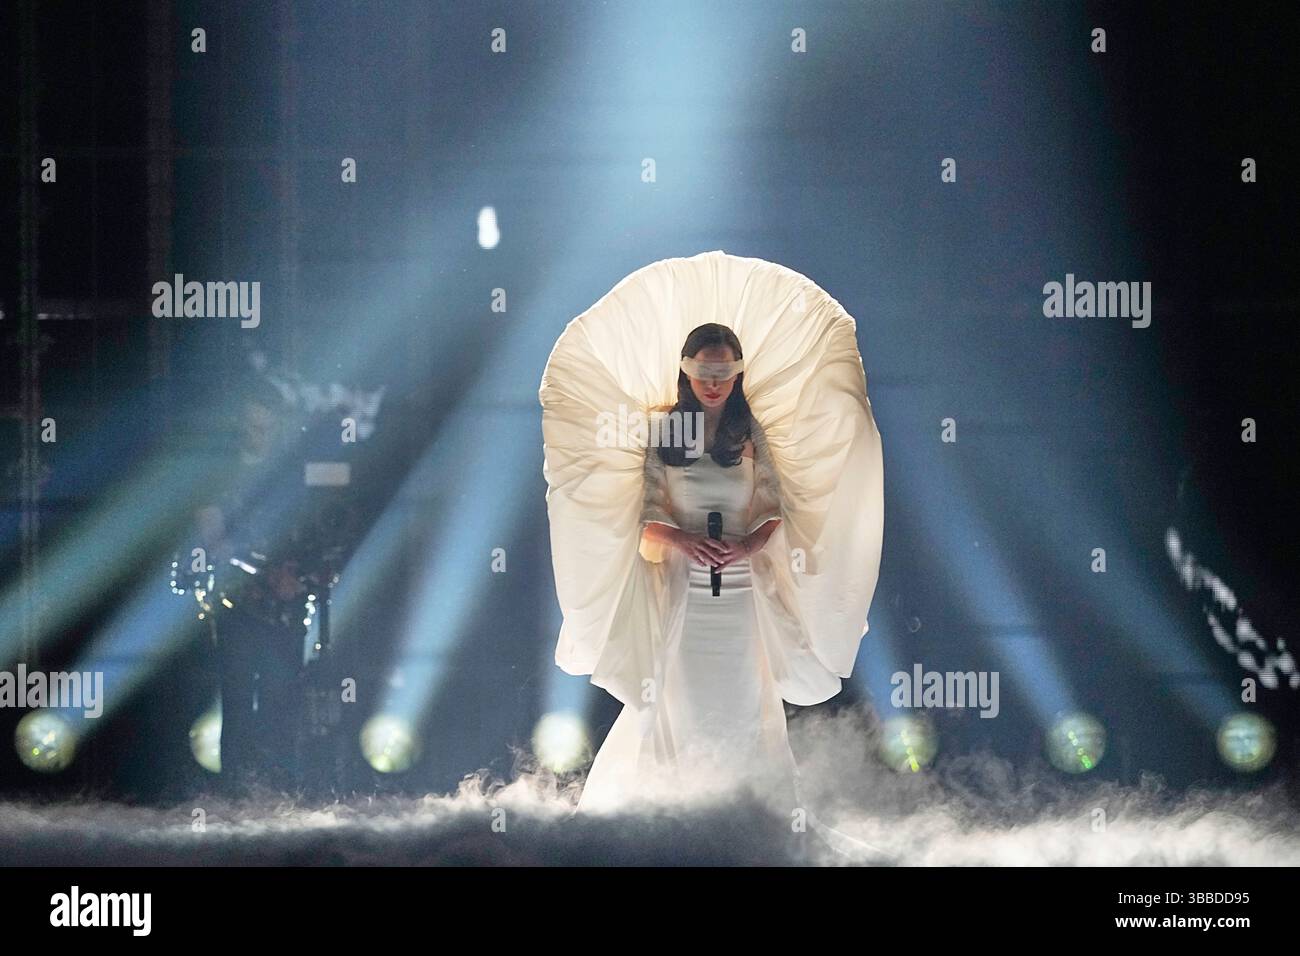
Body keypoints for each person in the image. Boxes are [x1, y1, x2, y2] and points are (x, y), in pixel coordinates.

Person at [541, 250, 885, 826]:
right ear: (685, 371)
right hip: (682, 592)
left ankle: (752, 824)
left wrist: (750, 547)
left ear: (739, 374)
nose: (714, 385)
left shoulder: (752, 435)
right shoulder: (660, 433)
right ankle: (665, 822)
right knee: (676, 697)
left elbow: (777, 509)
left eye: (724, 375)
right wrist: (682, 541)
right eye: (704, 374)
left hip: (742, 592)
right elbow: (643, 518)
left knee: (745, 700)